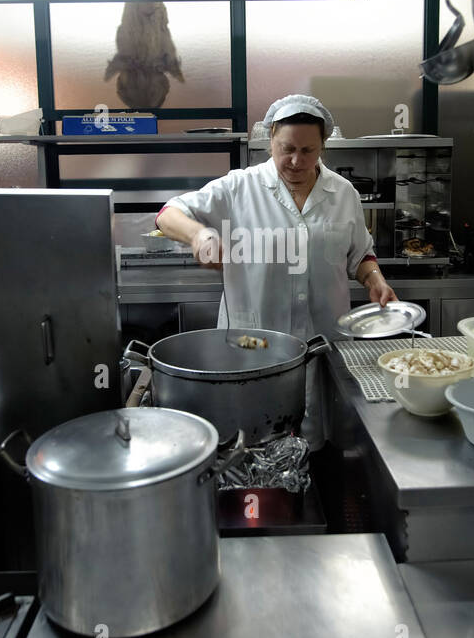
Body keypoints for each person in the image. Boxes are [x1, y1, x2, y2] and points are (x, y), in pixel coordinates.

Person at [155, 94, 398, 450]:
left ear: (323, 148)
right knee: (251, 447)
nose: (297, 161)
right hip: (253, 349)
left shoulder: (343, 193)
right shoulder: (239, 187)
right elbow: (167, 213)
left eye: (309, 151)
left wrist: (375, 279)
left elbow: (360, 253)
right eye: (287, 148)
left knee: (319, 451)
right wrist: (199, 233)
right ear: (270, 138)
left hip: (323, 348)